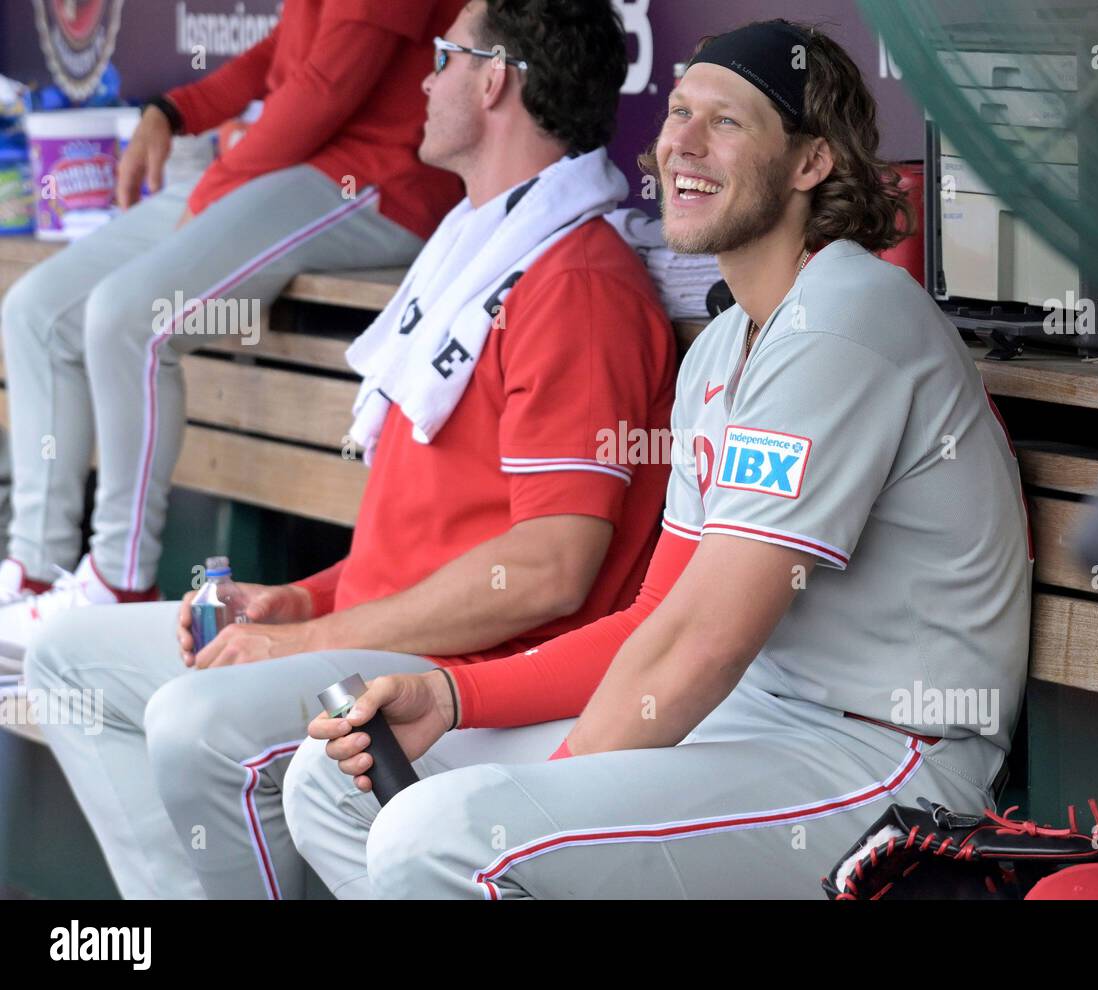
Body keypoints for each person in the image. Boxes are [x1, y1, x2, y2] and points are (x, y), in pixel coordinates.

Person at [284, 17, 1035, 901]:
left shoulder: (849, 312)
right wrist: (455, 700)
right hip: (751, 722)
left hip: (886, 759)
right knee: (333, 783)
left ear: (810, 163)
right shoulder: (722, 348)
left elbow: (705, 641)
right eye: (677, 113)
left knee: (446, 830)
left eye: (725, 121)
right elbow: (660, 618)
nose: (678, 141)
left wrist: (545, 801)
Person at [24, 0, 675, 899]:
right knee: (68, 660)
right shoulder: (470, 254)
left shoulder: (575, 282)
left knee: (193, 721)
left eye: (445, 57)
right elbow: (422, 547)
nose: (424, 75)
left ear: (494, 81)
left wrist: (312, 639)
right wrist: (298, 599)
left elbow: (548, 572)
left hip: (464, 679)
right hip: (370, 634)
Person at [0, 0, 466, 651]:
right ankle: (35, 573)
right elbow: (283, 53)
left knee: (131, 317)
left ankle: (118, 581)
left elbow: (325, 90)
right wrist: (176, 109)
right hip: (279, 167)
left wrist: (215, 187)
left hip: (375, 178)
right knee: (36, 312)